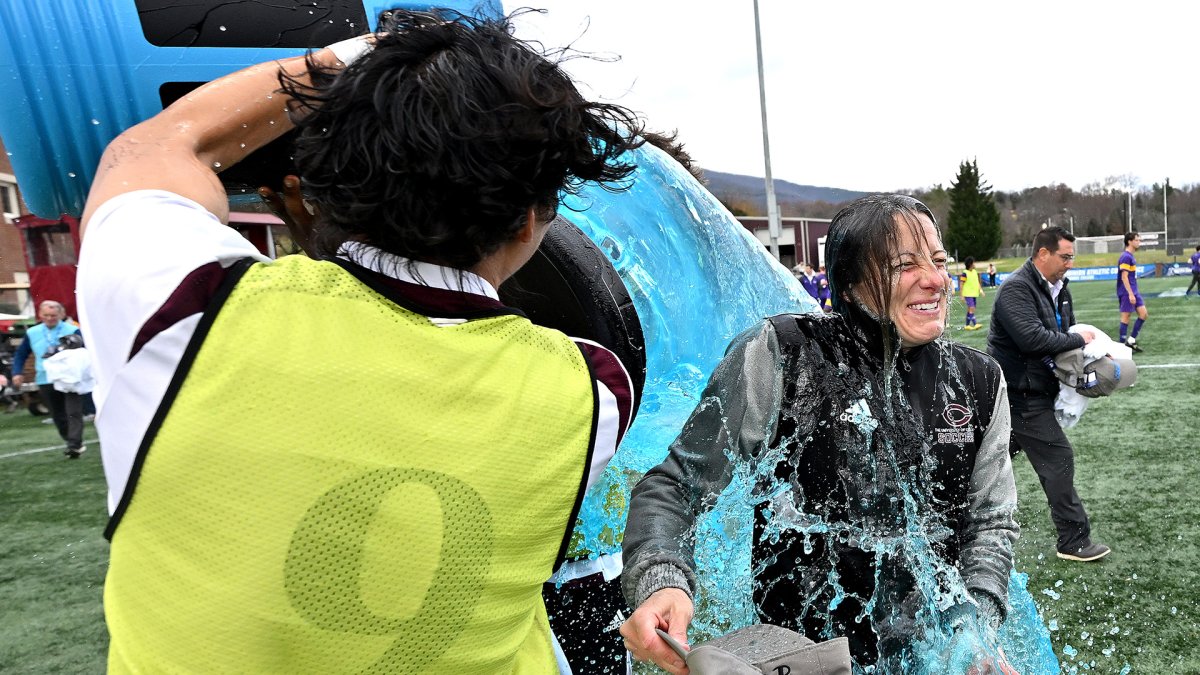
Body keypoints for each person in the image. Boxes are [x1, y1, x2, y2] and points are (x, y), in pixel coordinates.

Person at [77, 10, 643, 673]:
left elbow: (156, 147)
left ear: (320, 185)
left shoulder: (185, 309)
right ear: (527, 221)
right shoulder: (592, 391)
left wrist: (360, 56)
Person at [620, 195, 1018, 672]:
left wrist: (974, 633)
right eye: (904, 265)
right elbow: (674, 487)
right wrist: (662, 579)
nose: (934, 280)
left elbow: (991, 522)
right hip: (798, 655)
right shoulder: (783, 356)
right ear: (849, 287)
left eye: (938, 261)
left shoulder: (977, 381)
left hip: (931, 656)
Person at [987, 226, 1108, 563]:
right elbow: (1032, 339)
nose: (1070, 263)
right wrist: (1079, 340)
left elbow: (1060, 332)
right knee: (1058, 457)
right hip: (1018, 392)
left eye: (1072, 256)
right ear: (1043, 253)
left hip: (1035, 387)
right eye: (1065, 256)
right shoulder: (1016, 289)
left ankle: (946, 512)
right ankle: (1073, 540)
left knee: (987, 459)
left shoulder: (1059, 288)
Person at [11, 300, 86, 457]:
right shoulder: (32, 332)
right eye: (46, 315)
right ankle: (70, 441)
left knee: (73, 411)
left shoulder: (73, 329)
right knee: (58, 414)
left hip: (69, 378)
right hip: (45, 378)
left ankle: (74, 444)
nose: (50, 318)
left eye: (53, 315)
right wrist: (17, 372)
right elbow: (21, 354)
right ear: (40, 314)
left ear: (60, 314)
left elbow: (85, 352)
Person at [1116, 231, 1147, 352]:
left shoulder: (1131, 257)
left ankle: (1131, 340)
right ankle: (1120, 347)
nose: (1139, 242)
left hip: (1134, 290)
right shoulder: (1125, 257)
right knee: (1125, 317)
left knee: (1143, 314)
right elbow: (1124, 277)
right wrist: (1129, 293)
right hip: (1126, 292)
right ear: (1130, 241)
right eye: (1137, 240)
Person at [960, 256, 984, 330]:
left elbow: (977, 282)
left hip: (974, 294)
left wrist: (981, 290)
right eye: (973, 263)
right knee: (972, 308)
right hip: (967, 294)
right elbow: (961, 284)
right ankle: (975, 324)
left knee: (970, 309)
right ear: (970, 264)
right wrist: (962, 295)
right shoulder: (964, 273)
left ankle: (967, 325)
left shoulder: (974, 272)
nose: (975, 264)